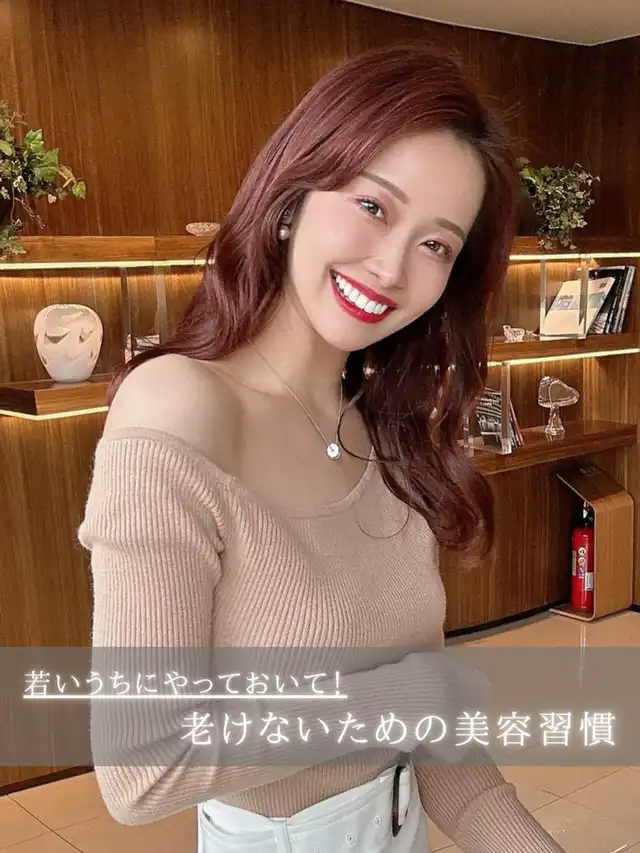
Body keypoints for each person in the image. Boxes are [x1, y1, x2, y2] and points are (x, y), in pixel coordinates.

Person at [78, 43, 566, 853]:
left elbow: (443, 752)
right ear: (293, 193)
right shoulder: (182, 405)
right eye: (374, 205)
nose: (391, 266)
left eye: (437, 244)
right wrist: (397, 696)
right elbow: (142, 768)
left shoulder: (388, 428)